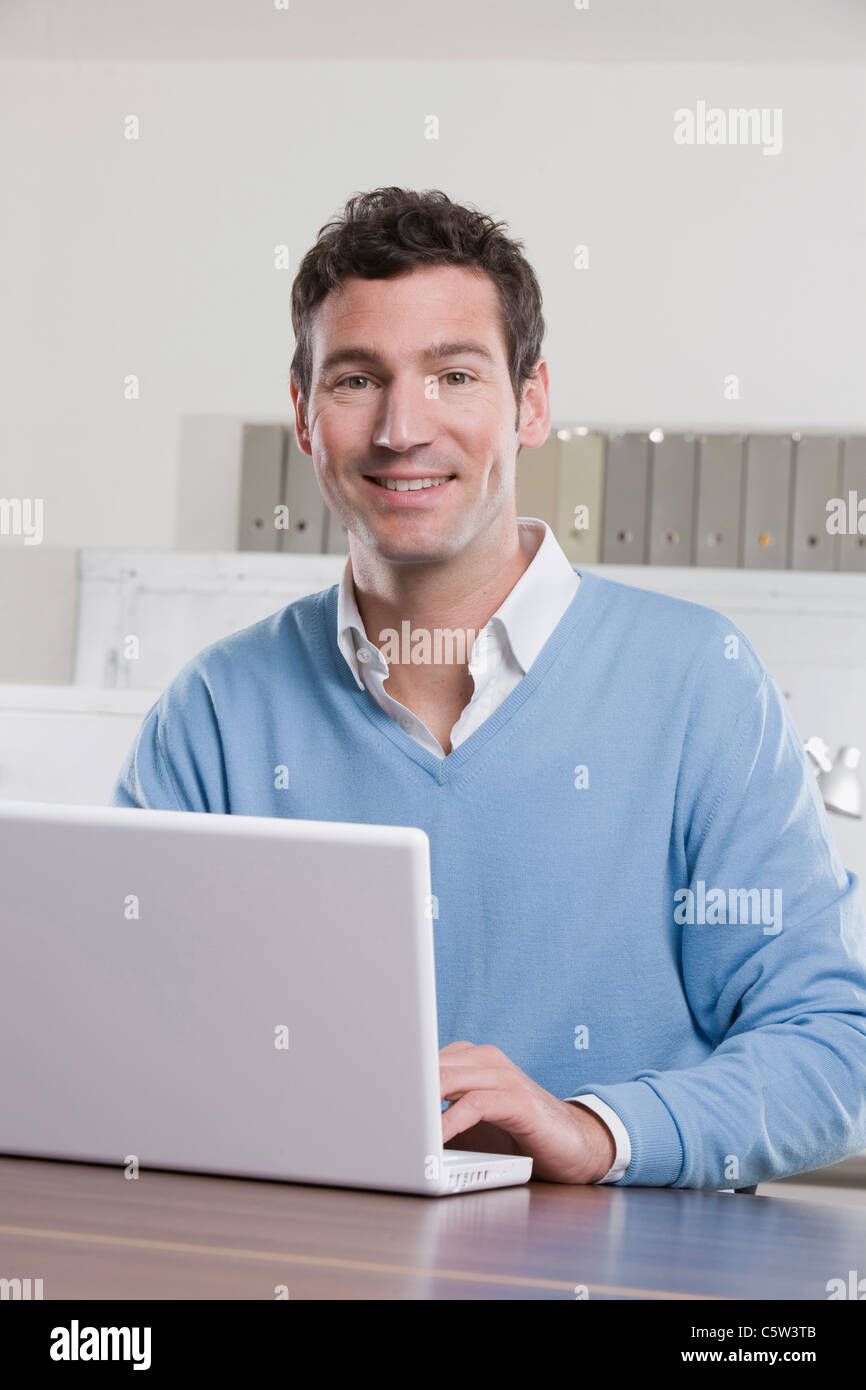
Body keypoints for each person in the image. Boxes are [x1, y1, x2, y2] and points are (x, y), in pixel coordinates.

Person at [113, 186, 866, 1189]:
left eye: (453, 375)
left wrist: (592, 1130)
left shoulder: (696, 683)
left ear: (531, 402)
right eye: (354, 379)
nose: (400, 428)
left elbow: (830, 1047)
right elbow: (112, 1036)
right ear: (302, 412)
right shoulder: (214, 712)